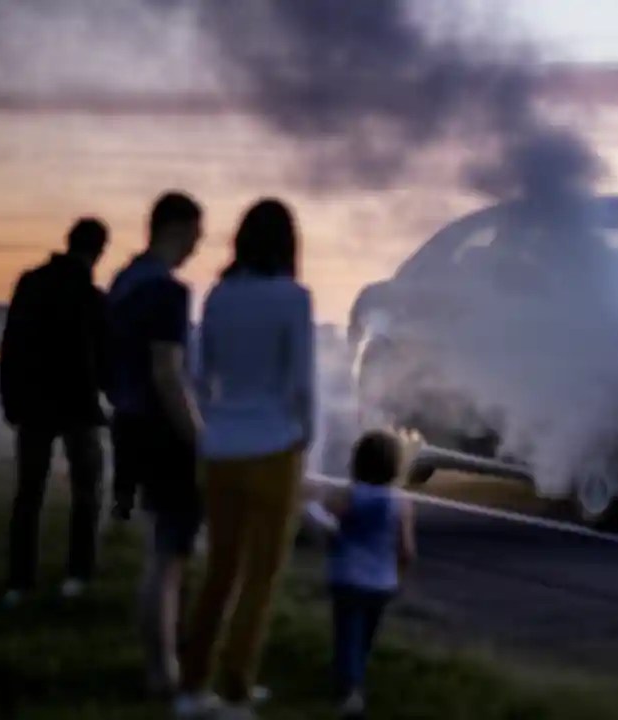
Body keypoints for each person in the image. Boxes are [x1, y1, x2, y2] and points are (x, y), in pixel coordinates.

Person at [175, 198, 315, 719]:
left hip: (221, 447)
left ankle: (192, 687)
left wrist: (213, 420)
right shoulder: (294, 298)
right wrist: (306, 436)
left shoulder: (219, 296)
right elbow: (301, 381)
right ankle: (236, 686)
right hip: (274, 443)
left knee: (220, 568)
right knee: (261, 574)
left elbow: (197, 374)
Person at [105, 191, 204, 696]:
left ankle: (163, 659)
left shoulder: (123, 283)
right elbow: (168, 374)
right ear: (176, 228)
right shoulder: (167, 292)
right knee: (171, 556)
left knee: (160, 550)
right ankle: (164, 669)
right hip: (165, 432)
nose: (195, 248)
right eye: (195, 236)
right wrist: (197, 437)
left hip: (129, 422)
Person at [0, 217, 111, 607]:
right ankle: (77, 574)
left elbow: (11, 343)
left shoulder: (30, 284)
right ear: (99, 251)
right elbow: (103, 358)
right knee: (87, 492)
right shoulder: (92, 298)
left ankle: (19, 582)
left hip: (32, 402)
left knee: (28, 494)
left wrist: (9, 399)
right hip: (78, 406)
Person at [323, 430, 417, 719]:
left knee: (347, 635)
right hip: (382, 582)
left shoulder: (349, 495)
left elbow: (326, 517)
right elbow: (407, 549)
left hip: (348, 576)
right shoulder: (401, 502)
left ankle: (349, 691)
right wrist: (399, 575)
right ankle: (354, 681)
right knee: (365, 637)